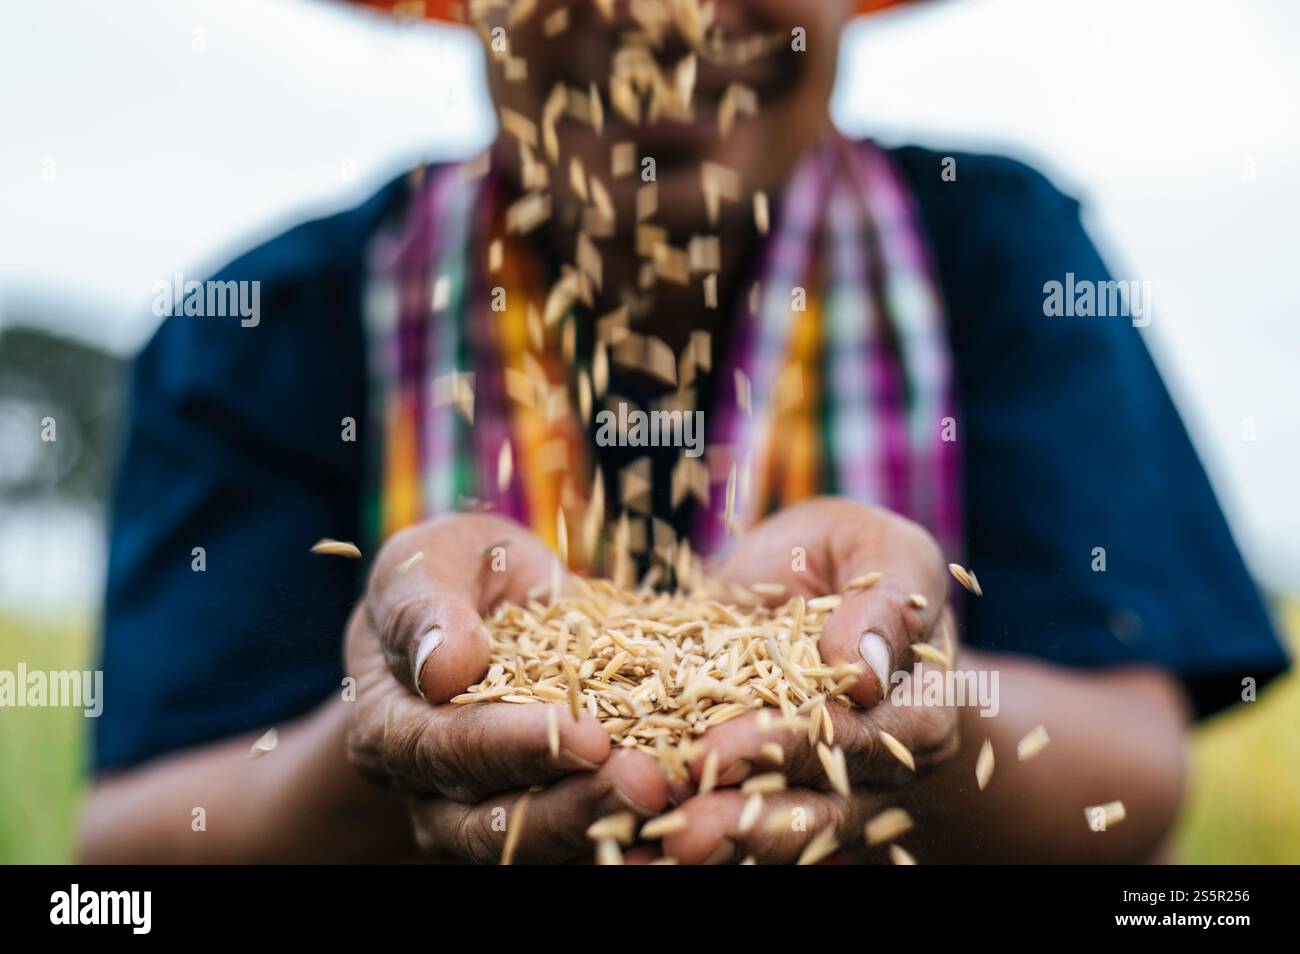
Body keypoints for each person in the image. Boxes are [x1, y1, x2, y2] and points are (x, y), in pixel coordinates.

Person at [78, 0, 1286, 864]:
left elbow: (1137, 772)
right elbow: (128, 850)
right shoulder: (268, 330)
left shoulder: (995, 254)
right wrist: (389, 741)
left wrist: (926, 704)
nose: (665, 20)